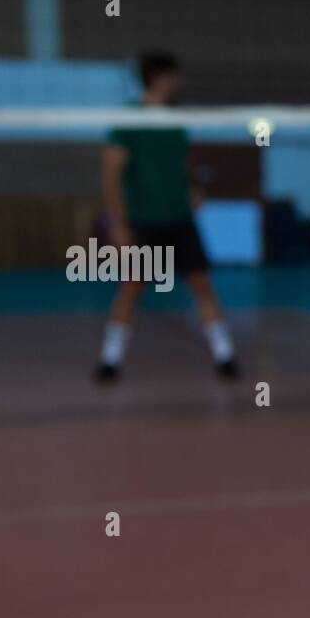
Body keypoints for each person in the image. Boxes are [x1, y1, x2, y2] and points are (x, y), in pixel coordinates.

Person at [95, 51, 238, 382]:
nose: (181, 83)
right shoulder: (129, 120)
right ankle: (110, 360)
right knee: (132, 287)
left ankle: (225, 356)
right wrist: (117, 223)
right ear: (160, 78)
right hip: (144, 219)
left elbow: (184, 162)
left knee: (202, 284)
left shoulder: (176, 120)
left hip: (180, 219)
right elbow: (111, 172)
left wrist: (194, 188)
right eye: (176, 76)